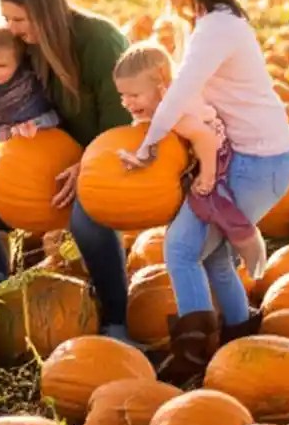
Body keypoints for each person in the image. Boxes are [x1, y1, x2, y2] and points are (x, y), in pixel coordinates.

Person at [120, 0, 289, 384]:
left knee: (180, 249)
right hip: (251, 157)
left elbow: (179, 93)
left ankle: (193, 358)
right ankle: (239, 342)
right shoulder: (208, 22)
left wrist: (148, 146)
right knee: (213, 256)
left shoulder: (219, 27)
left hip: (260, 163)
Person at [0, 0, 136, 343]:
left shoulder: (98, 42)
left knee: (88, 222)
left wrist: (86, 165)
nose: (12, 28)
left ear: (45, 12)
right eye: (6, 18)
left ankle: (117, 322)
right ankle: (5, 301)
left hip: (108, 162)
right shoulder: (24, 48)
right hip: (50, 165)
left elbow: (122, 125)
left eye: (19, 18)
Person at [111, 41, 269, 278]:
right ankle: (215, 247)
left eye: (134, 95)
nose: (127, 103)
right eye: (122, 95)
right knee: (191, 206)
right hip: (194, 153)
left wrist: (207, 175)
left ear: (161, 87)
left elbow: (205, 139)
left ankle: (246, 238)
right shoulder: (155, 109)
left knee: (208, 199)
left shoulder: (175, 113)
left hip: (216, 150)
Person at [0, 25, 61, 150]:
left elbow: (49, 103)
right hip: (4, 129)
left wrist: (37, 123)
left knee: (52, 121)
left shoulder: (30, 77)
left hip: (35, 123)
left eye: (0, 66)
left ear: (19, 63)